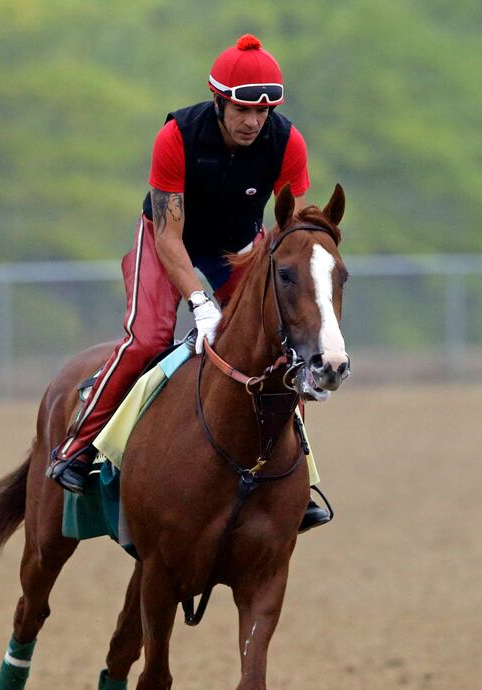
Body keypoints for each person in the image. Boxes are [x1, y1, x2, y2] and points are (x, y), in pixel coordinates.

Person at [47, 33, 331, 532]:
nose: (253, 122)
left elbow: (291, 228)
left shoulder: (288, 143)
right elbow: (171, 237)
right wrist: (199, 301)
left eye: (263, 113)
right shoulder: (177, 136)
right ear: (219, 101)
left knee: (280, 346)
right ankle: (76, 448)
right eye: (242, 109)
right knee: (150, 338)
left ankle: (297, 478)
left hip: (238, 245)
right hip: (167, 238)